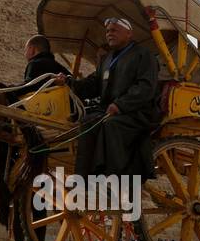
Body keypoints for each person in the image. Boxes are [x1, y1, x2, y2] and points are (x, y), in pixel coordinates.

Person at [52, 17, 160, 202]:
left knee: (110, 125)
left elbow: (145, 87)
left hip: (137, 112)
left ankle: (116, 178)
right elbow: (93, 84)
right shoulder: (108, 59)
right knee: (88, 121)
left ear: (129, 34)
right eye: (108, 30)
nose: (110, 33)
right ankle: (84, 180)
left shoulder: (143, 55)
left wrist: (121, 104)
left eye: (115, 30)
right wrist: (69, 82)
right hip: (110, 110)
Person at [10, 34, 71, 241]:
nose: (25, 55)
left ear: (33, 50)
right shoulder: (60, 68)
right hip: (59, 131)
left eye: (26, 50)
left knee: (19, 195)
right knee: (39, 198)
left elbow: (28, 88)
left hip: (38, 131)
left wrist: (4, 91)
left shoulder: (37, 65)